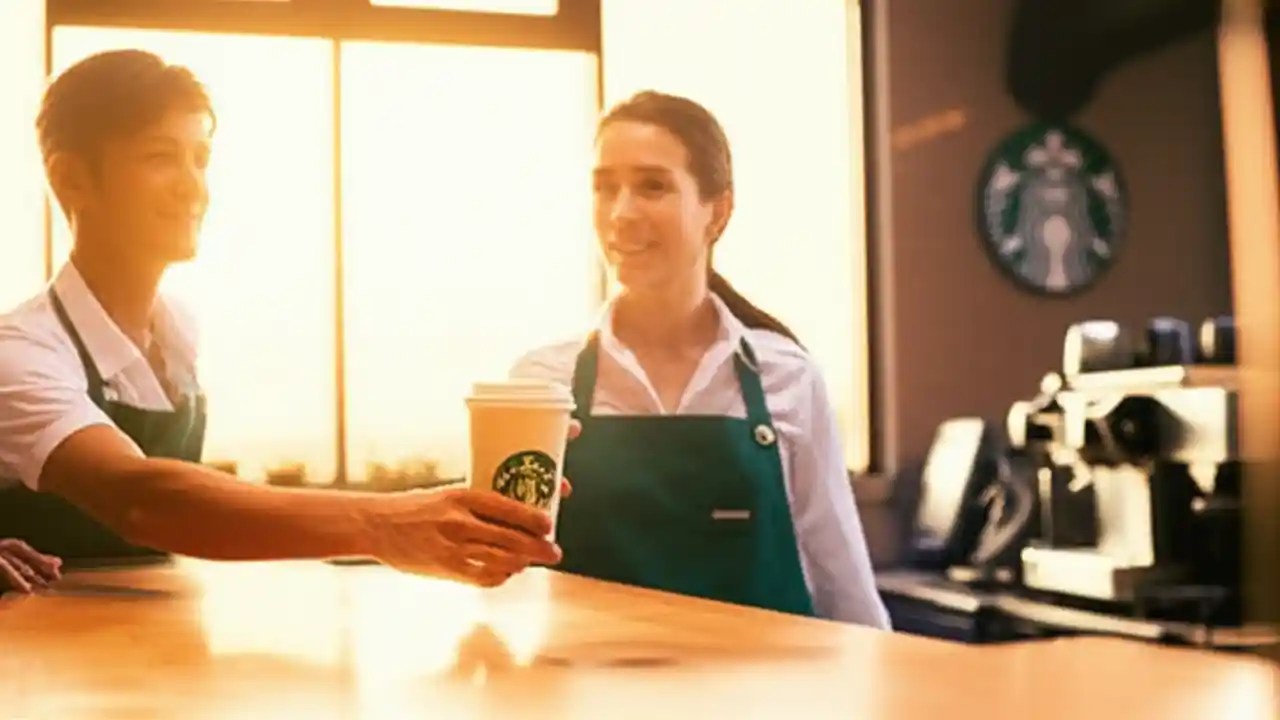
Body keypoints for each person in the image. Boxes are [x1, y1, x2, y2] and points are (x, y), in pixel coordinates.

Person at [0, 49, 563, 589]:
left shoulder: (176, 332)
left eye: (201, 159)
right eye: (160, 158)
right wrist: (385, 524)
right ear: (71, 178)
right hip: (44, 661)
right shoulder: (22, 350)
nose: (194, 187)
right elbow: (144, 499)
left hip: (149, 644)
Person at [511, 91, 890, 628]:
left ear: (718, 211)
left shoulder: (789, 378)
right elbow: (507, 580)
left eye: (653, 186)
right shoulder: (543, 383)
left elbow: (843, 586)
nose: (621, 213)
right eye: (604, 187)